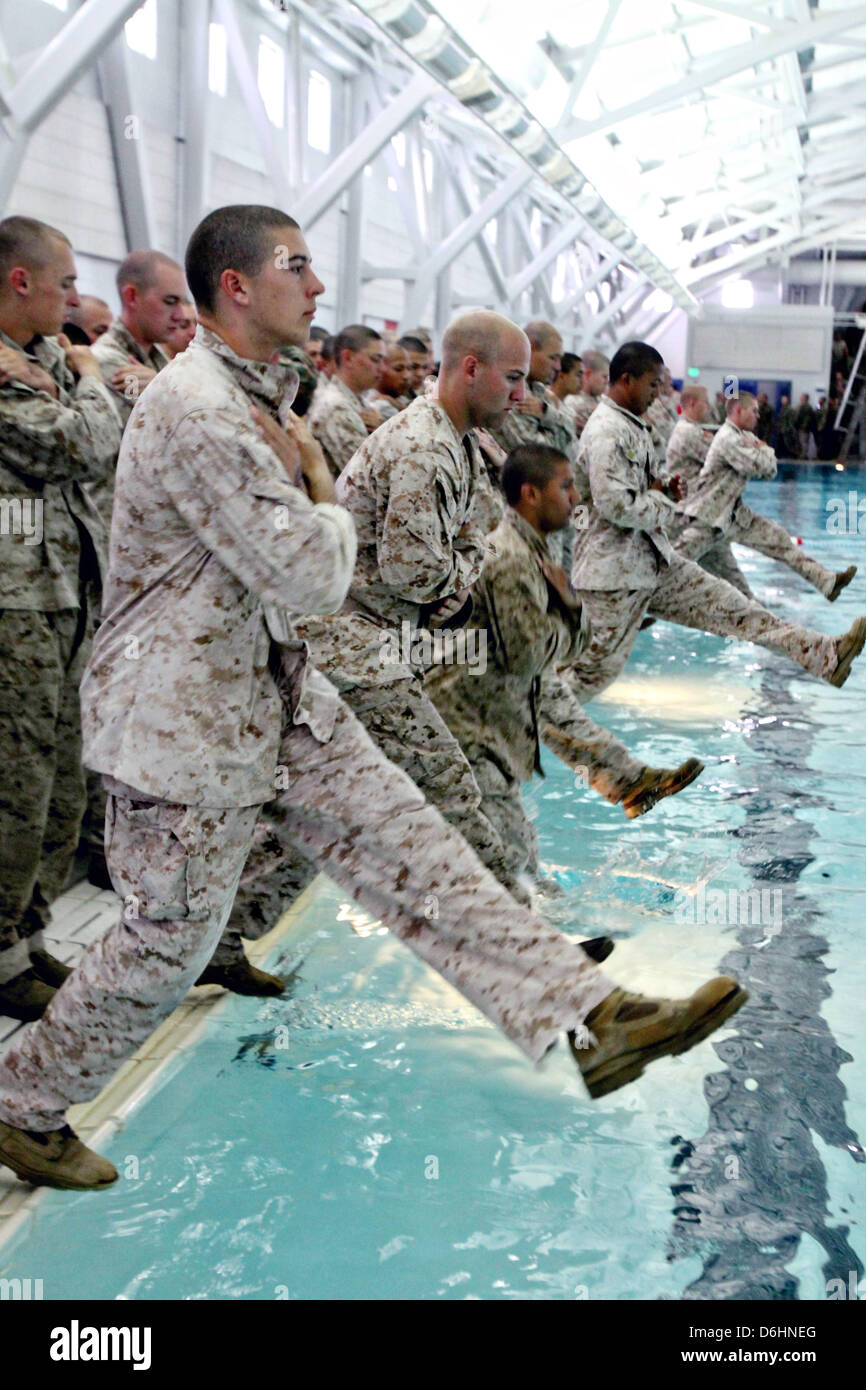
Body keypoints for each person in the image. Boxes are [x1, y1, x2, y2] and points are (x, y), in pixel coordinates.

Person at [0, 206, 748, 1189]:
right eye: (296, 268)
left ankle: (587, 1016)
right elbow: (308, 573)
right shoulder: (199, 412)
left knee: (415, 836)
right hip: (182, 721)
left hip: (276, 692)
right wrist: (314, 480)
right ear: (235, 285)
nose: (316, 288)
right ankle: (19, 1102)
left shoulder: (251, 394)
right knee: (164, 943)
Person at [425, 442, 704, 884]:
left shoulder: (533, 548)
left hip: (494, 718)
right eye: (566, 486)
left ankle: (626, 783)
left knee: (521, 863)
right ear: (531, 494)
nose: (576, 497)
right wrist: (570, 613)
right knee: (509, 865)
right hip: (468, 735)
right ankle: (536, 946)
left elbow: (554, 652)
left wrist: (570, 611)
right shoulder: (513, 558)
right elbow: (529, 654)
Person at [565, 341, 866, 699]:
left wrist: (663, 486)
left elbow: (641, 485)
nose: (659, 394)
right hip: (611, 578)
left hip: (653, 562)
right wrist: (666, 505)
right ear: (626, 380)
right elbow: (617, 506)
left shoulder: (634, 426)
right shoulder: (606, 430)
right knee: (588, 678)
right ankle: (522, 718)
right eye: (652, 384)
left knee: (732, 606)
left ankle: (824, 654)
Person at [0, 215, 121, 1022]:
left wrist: (73, 376)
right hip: (15, 602)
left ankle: (29, 933)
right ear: (20, 282)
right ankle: (3, 953)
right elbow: (79, 449)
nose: (74, 297)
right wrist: (89, 380)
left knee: (67, 773)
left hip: (71, 589)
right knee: (18, 779)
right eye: (65, 282)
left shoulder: (43, 359)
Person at [675, 391, 856, 603]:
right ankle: (642, 607)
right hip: (707, 520)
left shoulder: (746, 437)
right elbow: (759, 466)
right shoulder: (728, 438)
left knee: (777, 542)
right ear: (739, 411)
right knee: (670, 567)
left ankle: (827, 582)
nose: (758, 416)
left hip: (733, 516)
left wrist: (763, 452)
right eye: (754, 411)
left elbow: (770, 472)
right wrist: (765, 451)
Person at [93, 249, 187, 436]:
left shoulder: (158, 360)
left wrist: (162, 387)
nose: (180, 315)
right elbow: (151, 435)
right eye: (169, 301)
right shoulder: (110, 364)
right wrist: (167, 391)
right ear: (132, 297)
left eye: (181, 303)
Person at [307, 323, 385, 476]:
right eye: (375, 359)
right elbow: (366, 477)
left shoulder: (359, 403)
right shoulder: (335, 406)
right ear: (348, 357)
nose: (382, 368)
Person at [562, 349, 609, 439]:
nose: (607, 382)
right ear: (588, 374)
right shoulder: (572, 402)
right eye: (604, 377)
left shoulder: (602, 400)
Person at [367, 340, 411, 420]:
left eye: (409, 368)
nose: (407, 376)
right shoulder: (379, 406)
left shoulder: (400, 399)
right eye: (398, 369)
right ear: (380, 368)